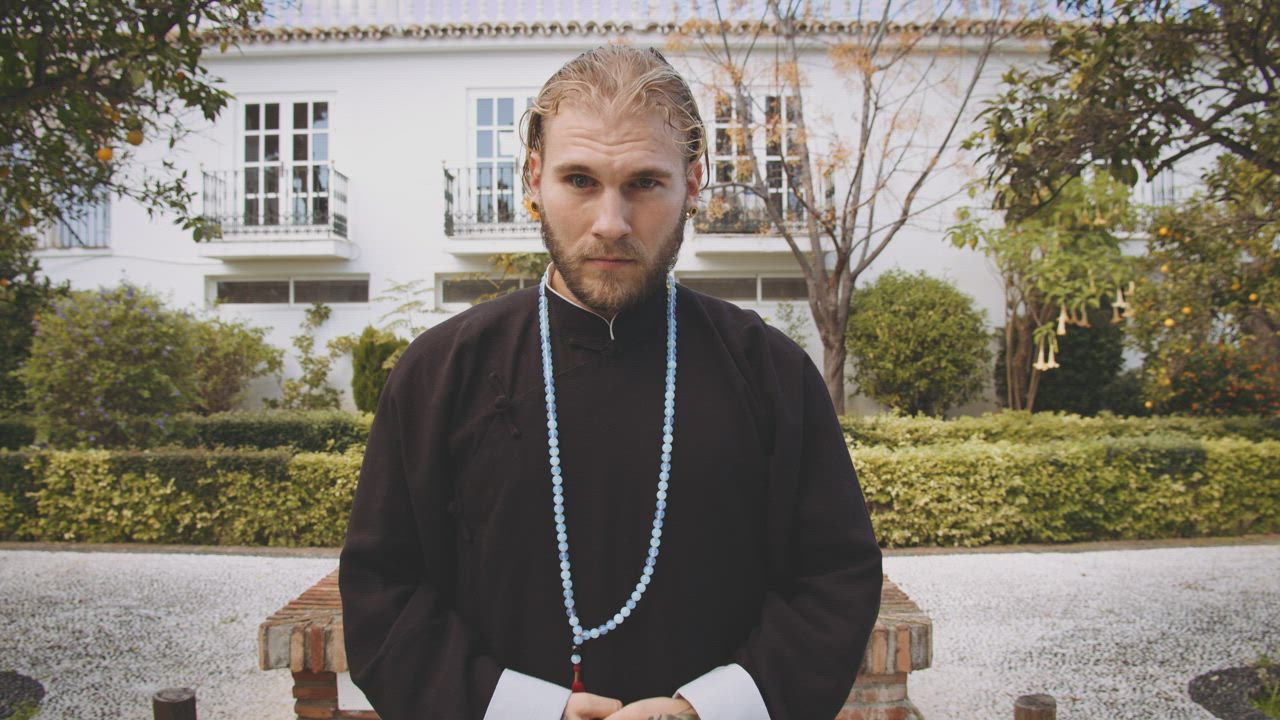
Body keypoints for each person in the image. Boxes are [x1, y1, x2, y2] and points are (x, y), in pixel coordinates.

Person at [339, 45, 883, 720]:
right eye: (580, 180)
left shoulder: (770, 373)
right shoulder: (440, 372)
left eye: (645, 184)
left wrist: (706, 711)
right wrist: (531, 712)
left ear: (694, 181)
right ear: (533, 179)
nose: (611, 223)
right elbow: (384, 596)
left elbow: (834, 580)